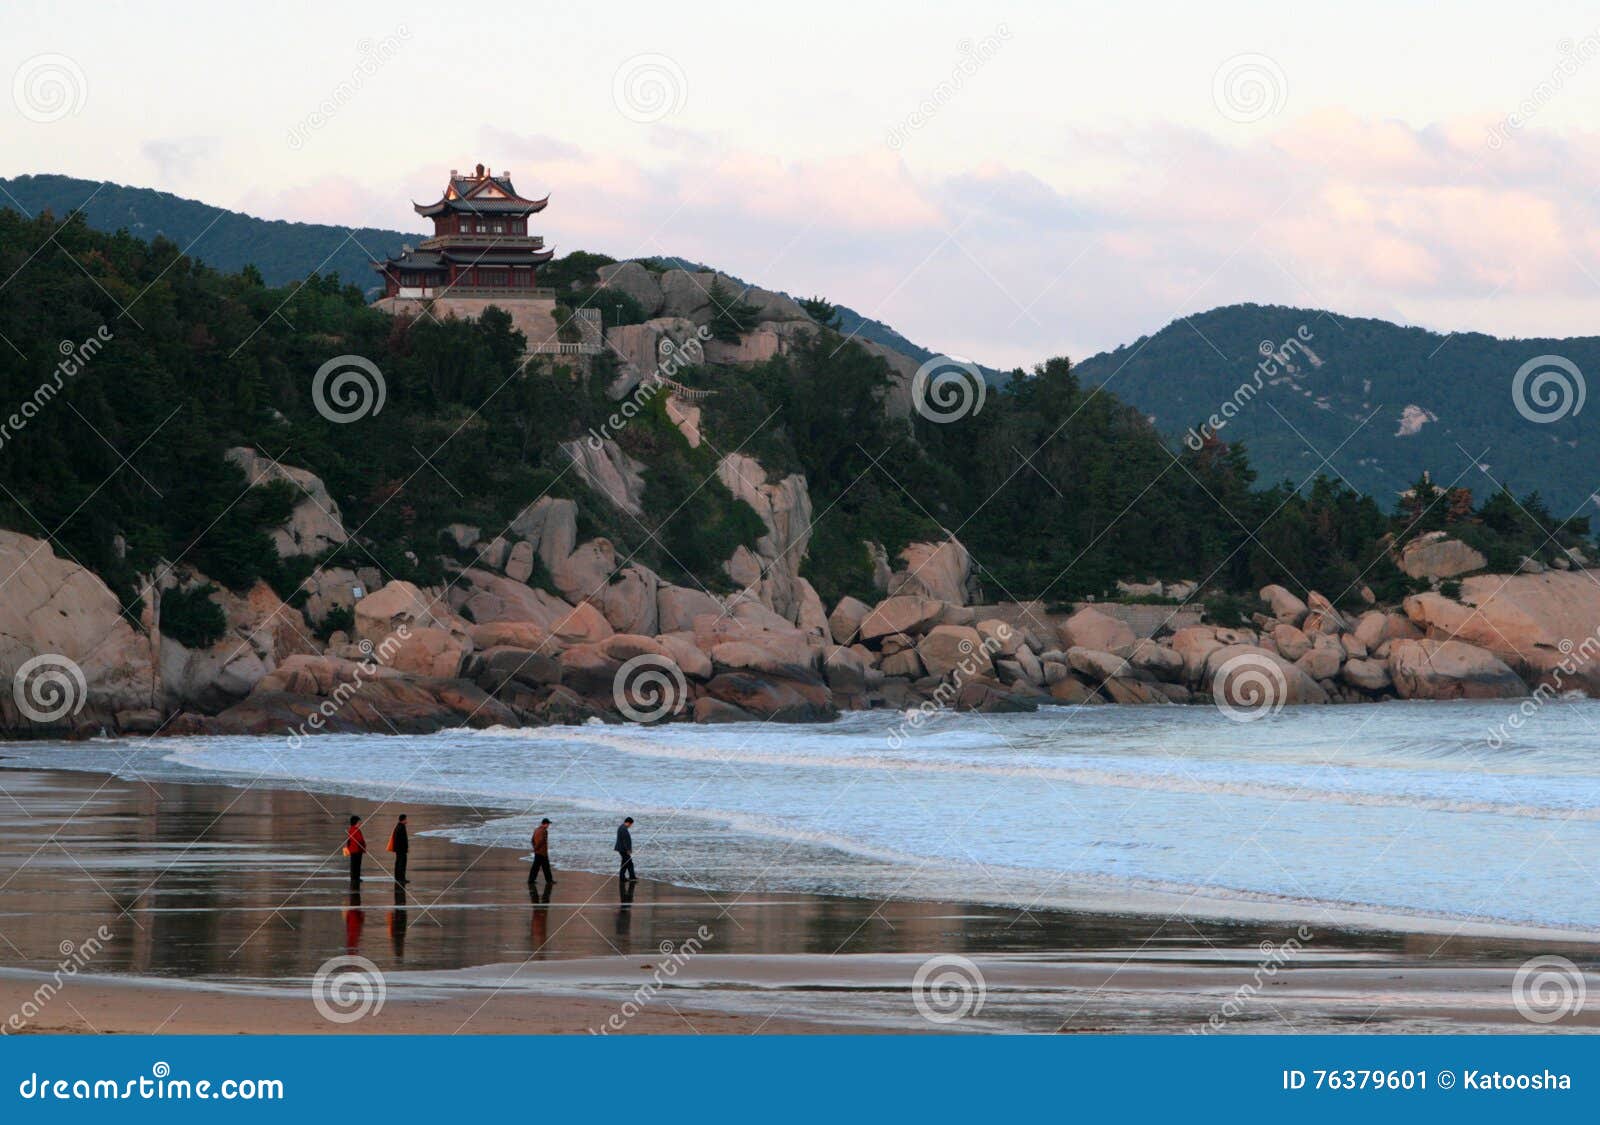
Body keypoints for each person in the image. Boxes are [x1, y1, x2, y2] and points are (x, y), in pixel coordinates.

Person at [529, 817, 555, 888]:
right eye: (548, 824)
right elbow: (541, 841)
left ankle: (531, 880)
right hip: (542, 852)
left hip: (538, 852)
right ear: (545, 824)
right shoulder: (544, 831)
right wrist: (536, 848)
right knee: (545, 867)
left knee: (536, 867)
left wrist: (534, 848)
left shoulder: (536, 830)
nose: (548, 826)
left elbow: (532, 840)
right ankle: (549, 880)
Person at [345, 815, 367, 887]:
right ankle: (355, 878)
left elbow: (349, 841)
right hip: (357, 850)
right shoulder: (355, 830)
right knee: (356, 865)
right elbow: (360, 840)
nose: (360, 823)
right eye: (359, 822)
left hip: (354, 850)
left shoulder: (351, 829)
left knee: (354, 865)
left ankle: (355, 877)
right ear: (356, 822)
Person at [388, 814, 409, 885]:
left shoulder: (397, 826)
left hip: (398, 849)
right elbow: (403, 840)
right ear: (403, 820)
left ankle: (397, 877)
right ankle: (401, 878)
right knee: (401, 863)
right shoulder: (401, 827)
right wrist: (405, 848)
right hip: (401, 850)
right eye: (406, 819)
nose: (407, 820)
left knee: (398, 863)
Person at [614, 816, 637, 882]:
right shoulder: (623, 829)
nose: (630, 826)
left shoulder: (622, 827)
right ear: (628, 823)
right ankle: (627, 877)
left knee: (626, 863)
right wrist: (628, 850)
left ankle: (628, 876)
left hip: (622, 849)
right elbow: (625, 841)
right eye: (631, 824)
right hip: (623, 849)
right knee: (628, 863)